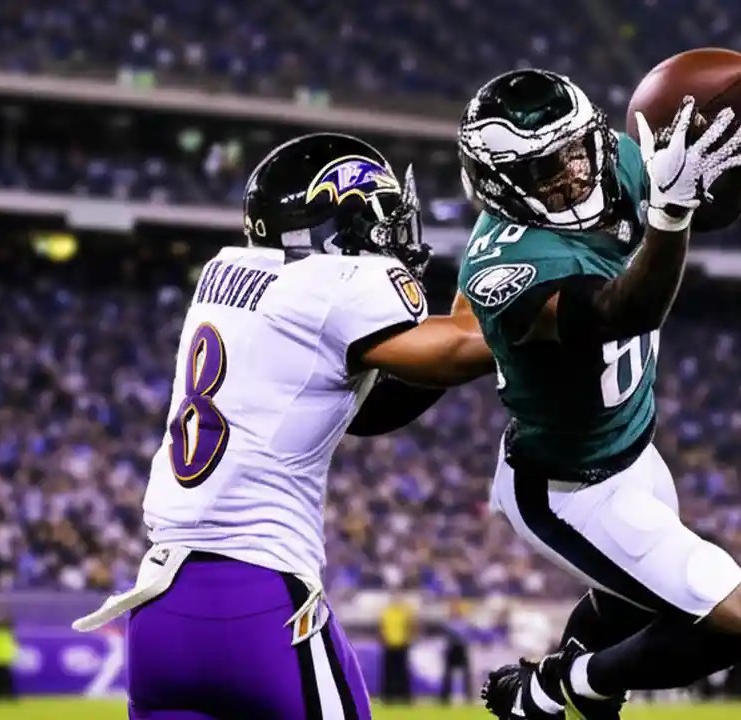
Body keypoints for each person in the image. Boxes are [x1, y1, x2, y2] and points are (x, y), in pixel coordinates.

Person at [71, 133, 495, 720]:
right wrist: (493, 255)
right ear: (336, 221)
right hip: (260, 610)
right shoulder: (335, 284)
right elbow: (464, 347)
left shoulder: (225, 274)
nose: (392, 236)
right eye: (380, 220)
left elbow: (365, 407)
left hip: (160, 612)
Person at [455, 68, 741, 720]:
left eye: (577, 149)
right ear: (502, 183)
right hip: (569, 488)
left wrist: (734, 142)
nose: (574, 172)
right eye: (547, 167)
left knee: (629, 603)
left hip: (634, 454)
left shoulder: (613, 163)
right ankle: (564, 688)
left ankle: (544, 696)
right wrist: (670, 210)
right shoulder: (504, 267)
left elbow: (713, 207)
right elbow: (620, 312)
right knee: (738, 615)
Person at [379, 595, 416, 704]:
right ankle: (388, 697)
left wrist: (409, 639)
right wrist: (383, 639)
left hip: (401, 644)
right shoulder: (386, 612)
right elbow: (381, 627)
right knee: (389, 673)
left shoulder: (405, 611)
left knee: (403, 673)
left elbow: (411, 626)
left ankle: (405, 697)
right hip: (389, 645)